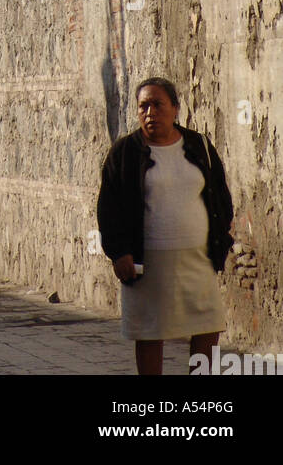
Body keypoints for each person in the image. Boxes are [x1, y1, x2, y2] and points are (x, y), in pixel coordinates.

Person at [97, 77, 233, 376]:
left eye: (158, 104)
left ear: (175, 108)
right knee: (149, 331)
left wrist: (222, 238)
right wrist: (119, 252)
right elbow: (109, 208)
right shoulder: (125, 153)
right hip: (149, 260)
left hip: (198, 260)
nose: (150, 112)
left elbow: (220, 196)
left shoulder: (199, 146)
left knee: (208, 327)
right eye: (143, 106)